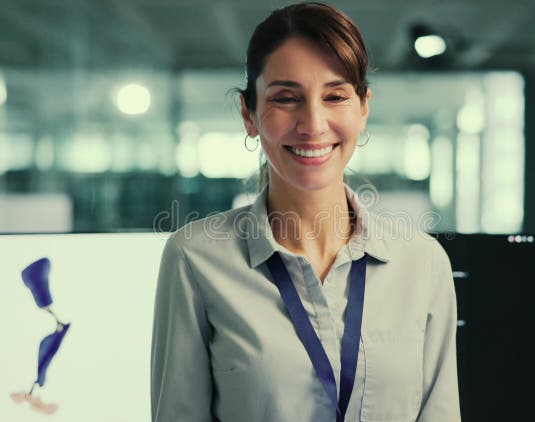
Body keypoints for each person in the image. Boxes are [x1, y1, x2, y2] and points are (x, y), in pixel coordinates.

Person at [151, 2, 460, 421]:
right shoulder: (196, 258)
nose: (313, 124)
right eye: (286, 98)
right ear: (249, 114)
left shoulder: (423, 264)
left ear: (363, 108)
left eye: (335, 96)